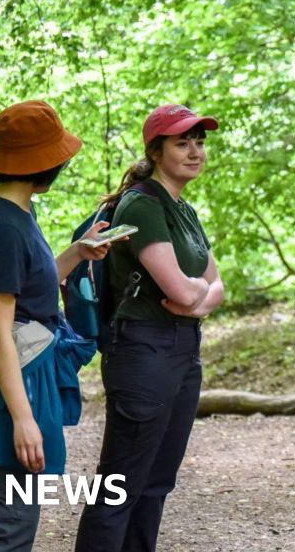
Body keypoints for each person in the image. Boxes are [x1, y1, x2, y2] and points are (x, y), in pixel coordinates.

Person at [0, 100, 113, 551]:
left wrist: (77, 253)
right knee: (8, 525)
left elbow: (31, 287)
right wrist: (24, 420)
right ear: (46, 164)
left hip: (25, 376)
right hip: (11, 387)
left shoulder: (18, 211)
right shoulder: (3, 228)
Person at [75, 104, 224, 552]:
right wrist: (196, 297)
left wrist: (196, 302)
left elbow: (217, 287)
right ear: (156, 151)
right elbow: (182, 291)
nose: (195, 151)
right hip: (142, 351)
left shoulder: (185, 210)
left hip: (182, 349)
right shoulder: (141, 202)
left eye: (199, 141)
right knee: (119, 485)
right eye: (183, 142)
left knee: (157, 482)